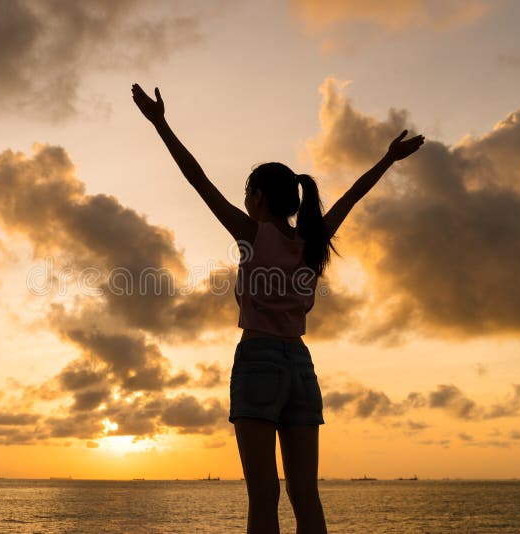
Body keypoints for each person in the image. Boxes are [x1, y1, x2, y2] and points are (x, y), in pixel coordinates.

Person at [132, 83, 424, 534]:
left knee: (264, 497)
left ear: (259, 198)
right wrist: (387, 159)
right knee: (306, 496)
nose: (245, 199)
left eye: (248, 192)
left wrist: (160, 124)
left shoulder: (252, 233)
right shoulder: (311, 239)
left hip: (259, 360)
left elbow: (197, 180)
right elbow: (353, 195)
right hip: (302, 367)